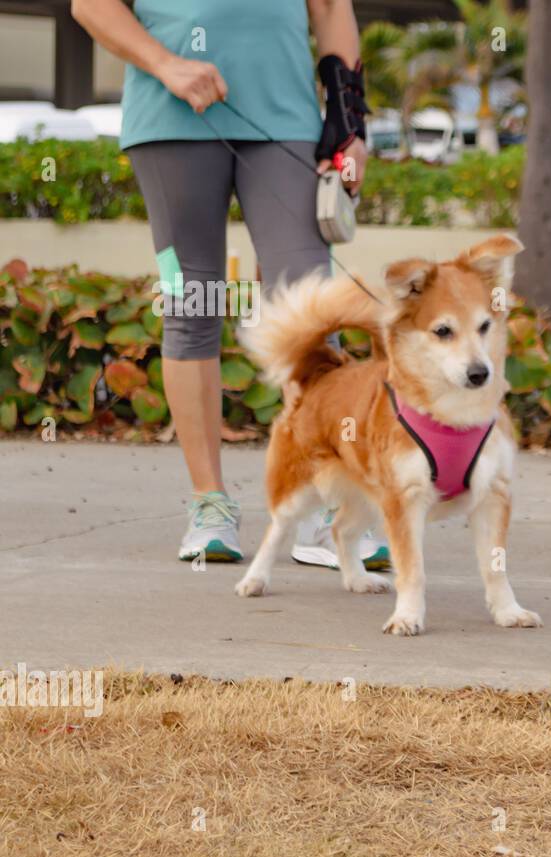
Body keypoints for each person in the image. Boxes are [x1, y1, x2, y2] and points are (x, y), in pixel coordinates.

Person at [71, 0, 387, 569]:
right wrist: (166, 64)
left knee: (310, 311)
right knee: (191, 304)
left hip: (287, 124)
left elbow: (333, 8)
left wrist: (350, 123)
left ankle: (325, 504)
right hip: (169, 120)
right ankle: (209, 504)